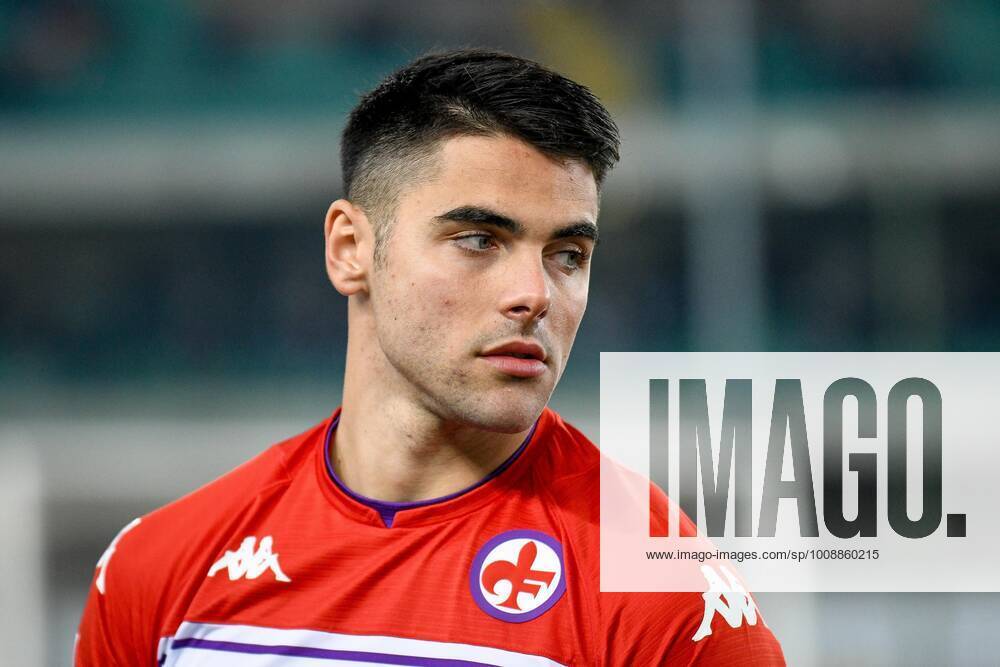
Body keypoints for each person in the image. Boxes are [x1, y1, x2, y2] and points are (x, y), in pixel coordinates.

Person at [76, 48, 785, 666]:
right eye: (479, 238)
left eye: (568, 254)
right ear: (351, 249)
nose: (535, 295)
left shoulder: (664, 597)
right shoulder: (160, 568)